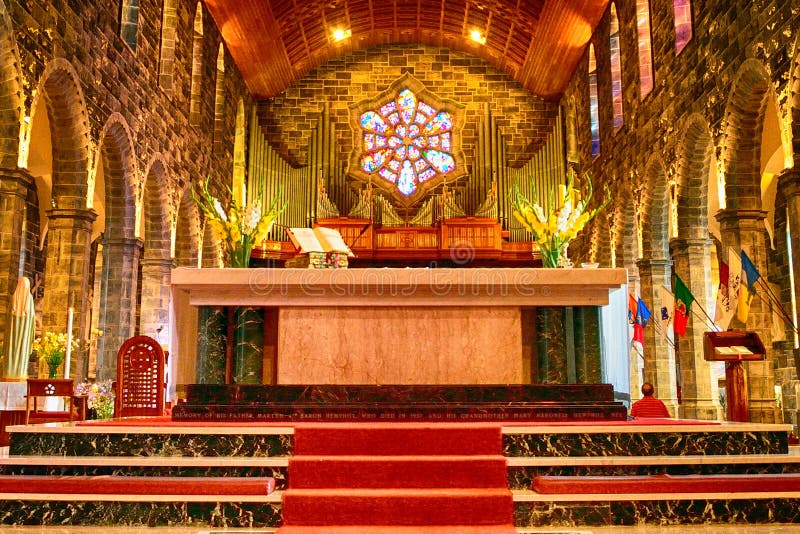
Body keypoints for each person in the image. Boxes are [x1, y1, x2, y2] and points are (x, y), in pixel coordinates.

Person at [2, 277, 36, 380]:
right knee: (22, 351)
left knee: (11, 350)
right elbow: (32, 318)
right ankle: (19, 373)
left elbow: (8, 320)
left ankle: (9, 373)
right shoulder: (28, 298)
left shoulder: (14, 298)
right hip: (23, 334)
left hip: (12, 334)